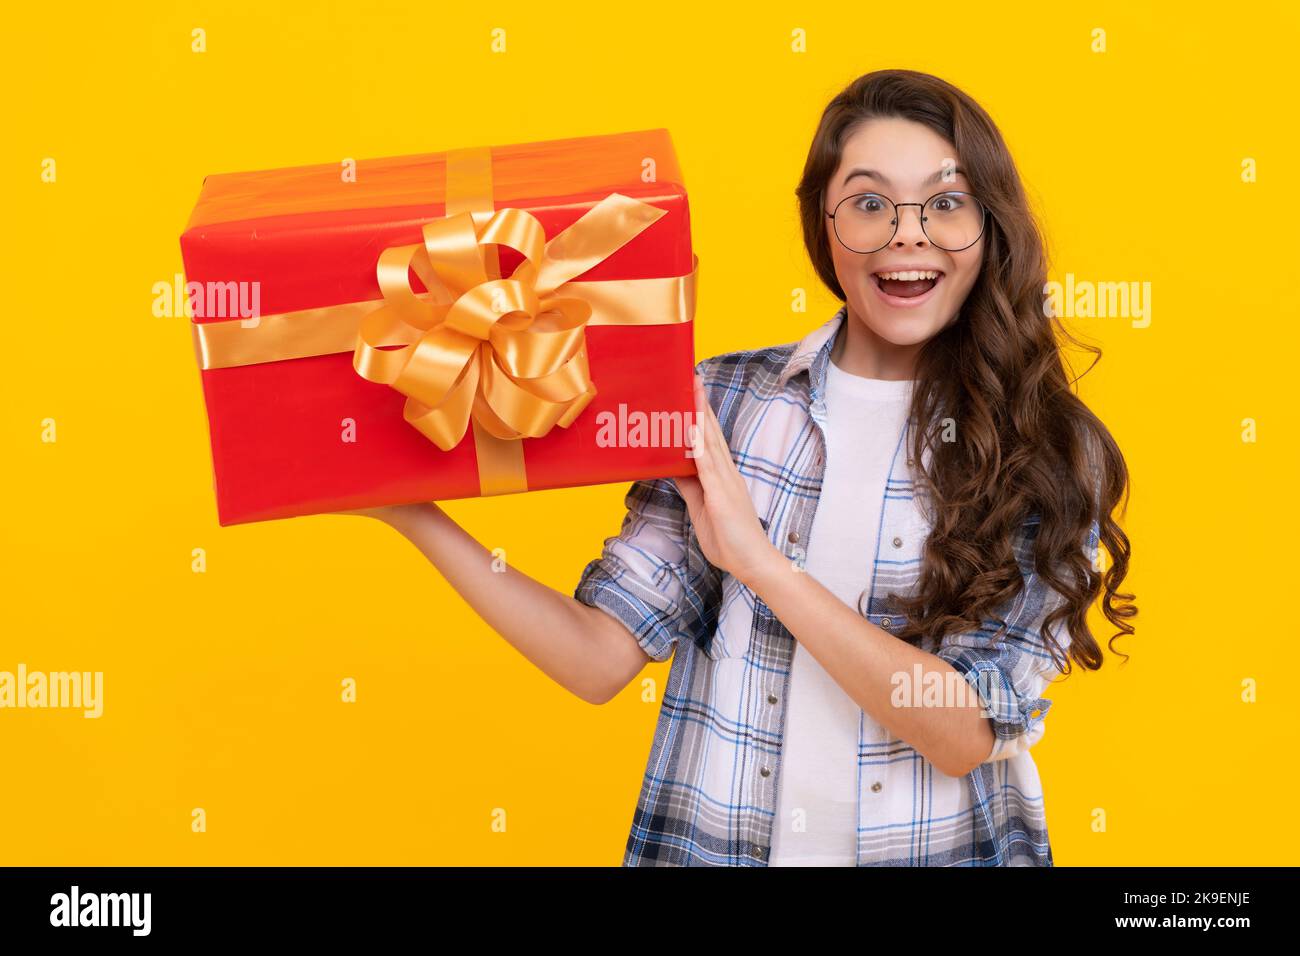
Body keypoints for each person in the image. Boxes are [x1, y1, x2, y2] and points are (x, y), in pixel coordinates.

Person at [337, 68, 1137, 866]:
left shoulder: (1048, 450)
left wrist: (758, 563)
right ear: (821, 227)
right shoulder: (719, 405)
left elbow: (963, 731)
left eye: (945, 202)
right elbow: (596, 660)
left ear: (989, 225)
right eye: (867, 203)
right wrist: (412, 513)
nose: (907, 233)